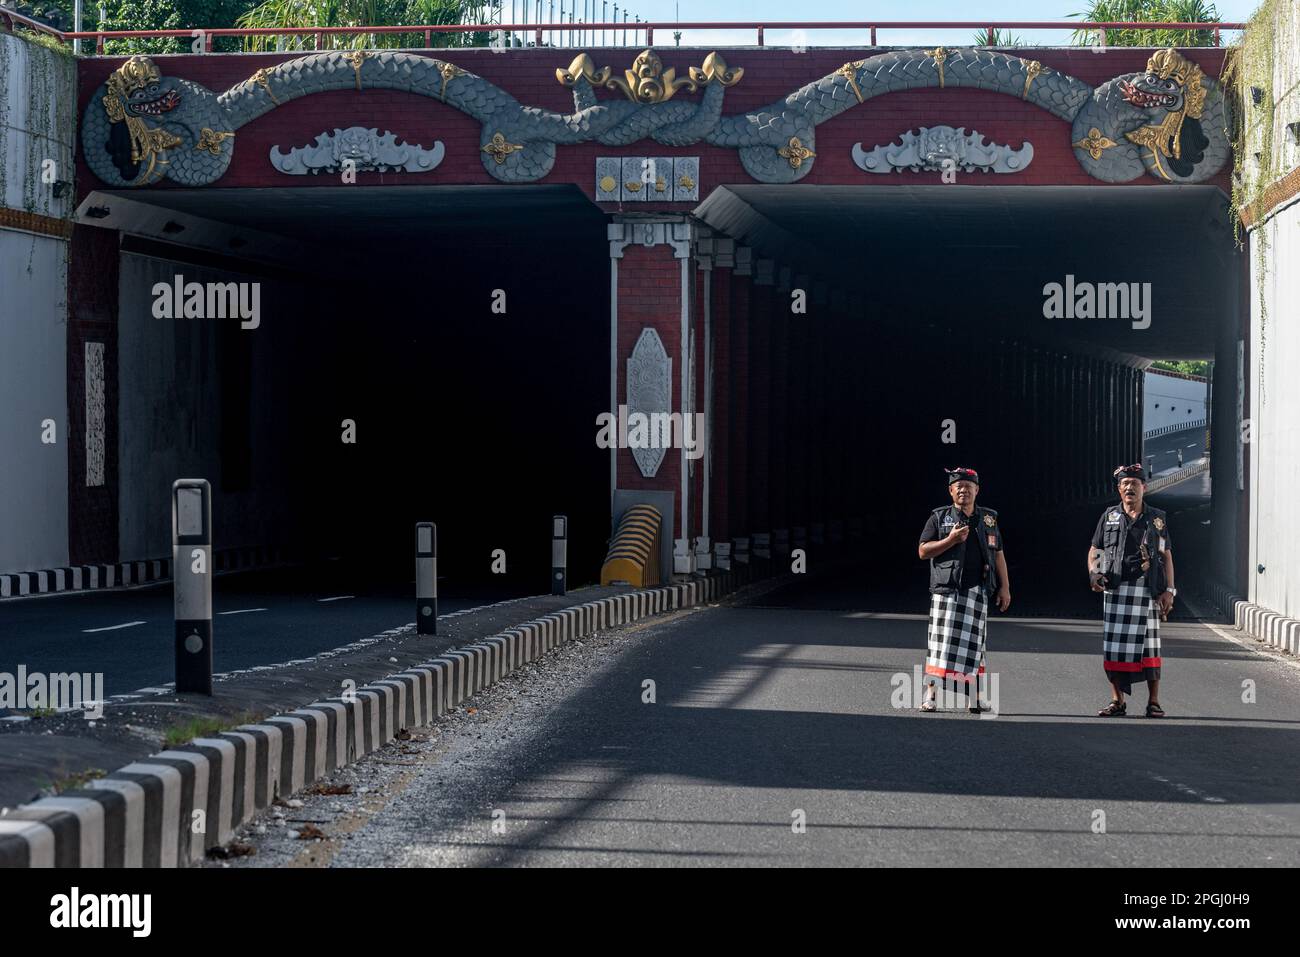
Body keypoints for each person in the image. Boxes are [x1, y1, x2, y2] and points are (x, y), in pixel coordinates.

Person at [917, 467, 1011, 713]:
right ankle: (930, 697)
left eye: (968, 487)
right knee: (940, 644)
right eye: (958, 487)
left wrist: (1005, 587)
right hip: (946, 590)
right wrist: (951, 540)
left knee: (976, 646)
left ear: (977, 490)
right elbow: (923, 551)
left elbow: (998, 553)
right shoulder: (939, 517)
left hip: (977, 590)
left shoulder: (988, 518)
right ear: (951, 491)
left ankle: (975, 700)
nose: (963, 490)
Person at [1087, 463, 1175, 718]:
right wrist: (1095, 572)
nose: (1129, 489)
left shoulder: (1156, 519)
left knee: (1150, 649)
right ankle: (1117, 701)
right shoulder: (1109, 516)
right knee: (1114, 648)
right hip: (1116, 591)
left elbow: (1166, 555)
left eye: (1134, 484)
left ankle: (1154, 702)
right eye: (1125, 485)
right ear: (1119, 489)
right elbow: (1096, 549)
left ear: (1143, 488)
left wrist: (1169, 589)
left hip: (1146, 591)